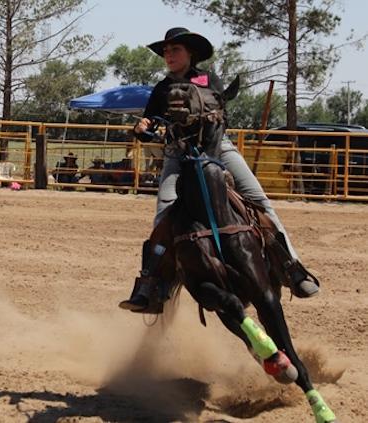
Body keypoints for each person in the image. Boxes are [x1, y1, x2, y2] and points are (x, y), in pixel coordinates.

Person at [118, 27, 319, 313]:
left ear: (191, 53)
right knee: (164, 212)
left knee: (259, 201)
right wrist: (143, 127)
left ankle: (292, 268)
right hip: (178, 153)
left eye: (175, 50)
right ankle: (151, 284)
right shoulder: (162, 88)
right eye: (166, 51)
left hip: (217, 147)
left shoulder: (208, 79)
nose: (169, 55)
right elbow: (151, 119)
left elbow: (221, 111)